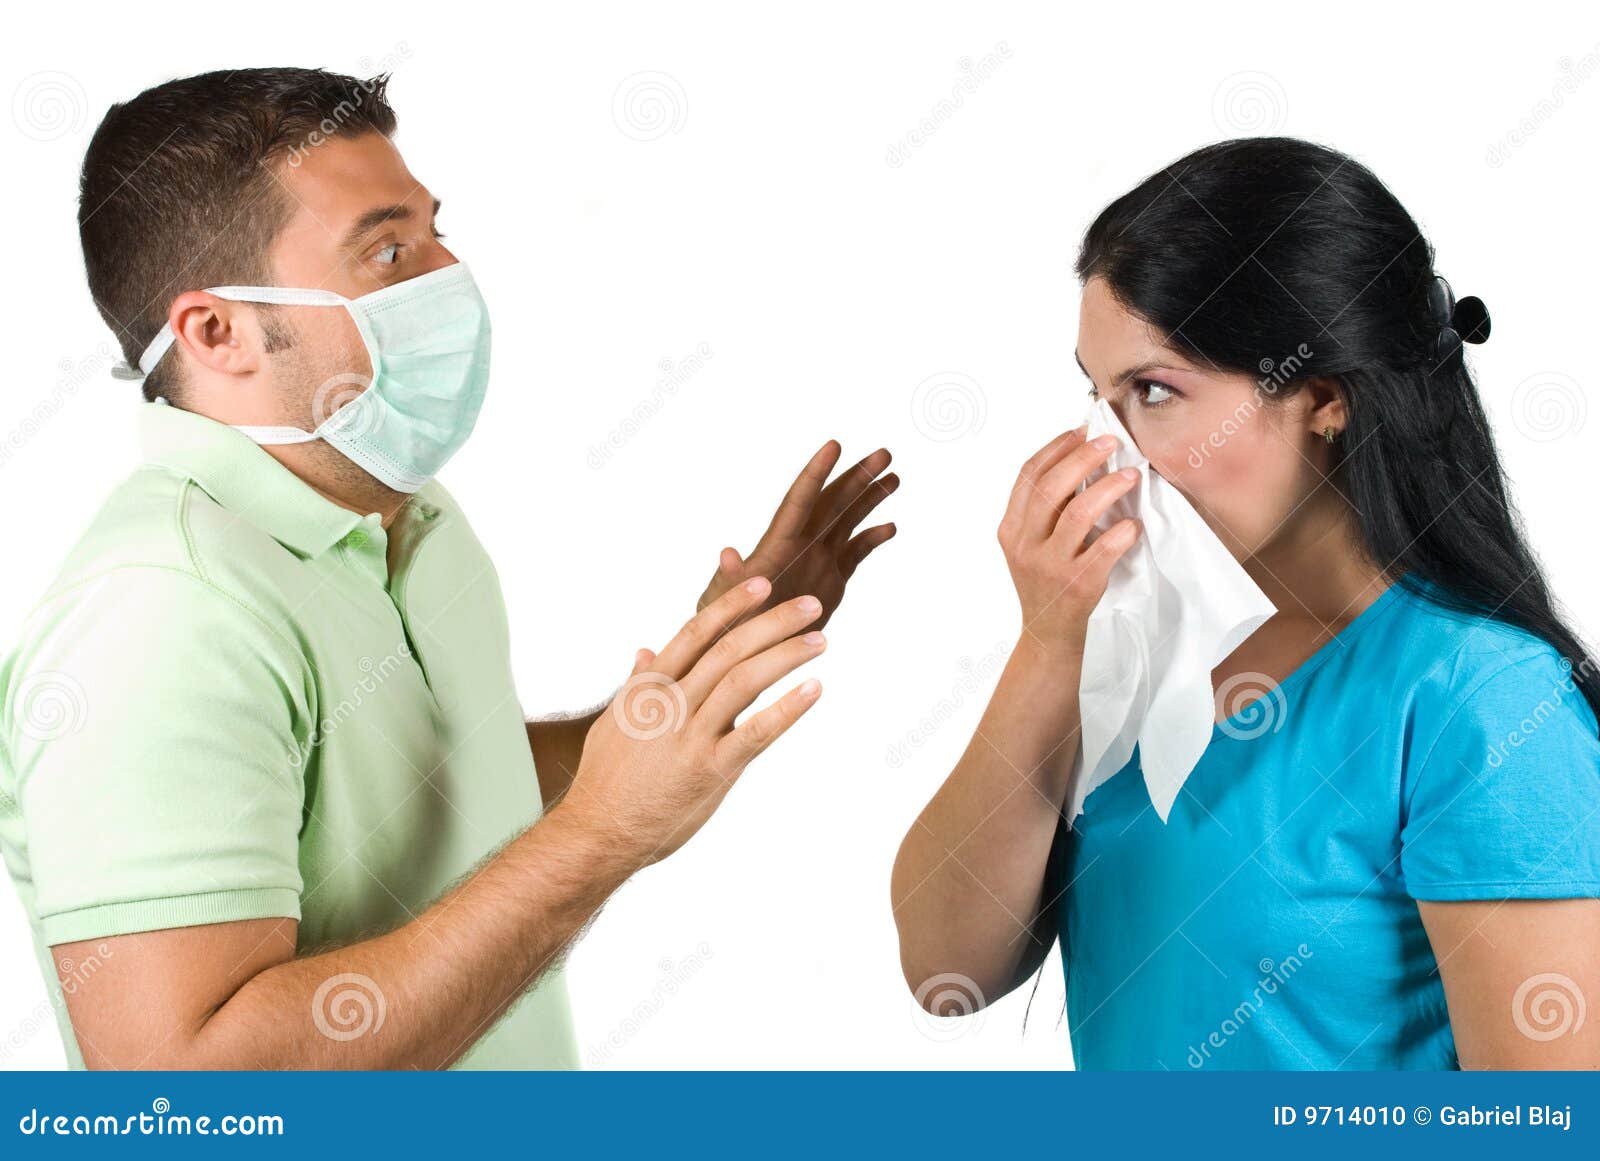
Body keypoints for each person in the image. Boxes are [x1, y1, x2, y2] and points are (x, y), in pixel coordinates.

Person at [0, 67, 897, 1070]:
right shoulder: (158, 614)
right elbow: (177, 1100)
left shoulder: (405, 516)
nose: (448, 273)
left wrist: (687, 688)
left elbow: (441, 795)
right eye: (389, 249)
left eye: (433, 231)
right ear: (219, 332)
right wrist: (598, 841)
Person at [891, 137, 1600, 1070]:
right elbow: (949, 968)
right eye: (1098, 398)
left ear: (1324, 398)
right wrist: (1049, 639)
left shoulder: (1481, 697)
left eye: (1154, 392)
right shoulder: (1135, 654)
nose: (1111, 452)